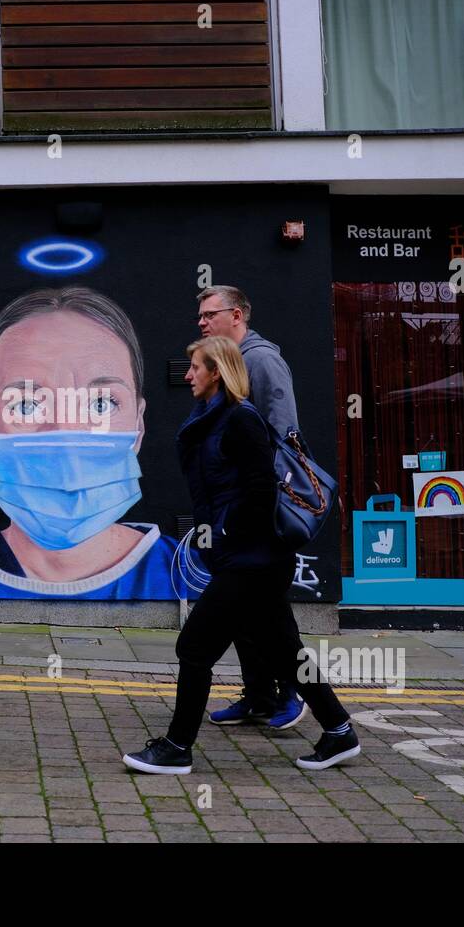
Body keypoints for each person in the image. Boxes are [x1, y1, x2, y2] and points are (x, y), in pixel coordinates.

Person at [122, 336, 360, 774]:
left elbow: (260, 491)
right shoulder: (212, 419)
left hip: (253, 560)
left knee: (194, 647)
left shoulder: (240, 420)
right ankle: (339, 730)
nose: (188, 374)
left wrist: (228, 536)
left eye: (195, 367)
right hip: (248, 559)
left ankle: (177, 747)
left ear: (217, 372)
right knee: (286, 652)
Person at [0, 286, 190, 600]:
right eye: (25, 405)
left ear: (139, 424)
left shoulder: (198, 584)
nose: (65, 431)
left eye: (101, 404)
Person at [194, 284, 305, 729]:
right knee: (249, 612)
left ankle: (294, 695)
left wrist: (263, 504)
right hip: (235, 514)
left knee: (274, 614)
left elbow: (283, 434)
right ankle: (259, 695)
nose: (201, 321)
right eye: (199, 315)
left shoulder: (262, 360)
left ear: (236, 315)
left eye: (209, 314)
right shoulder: (227, 363)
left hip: (261, 513)